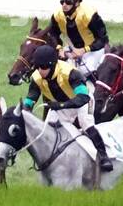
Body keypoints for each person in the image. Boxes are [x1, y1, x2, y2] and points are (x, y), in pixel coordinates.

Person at [23, 44, 113, 172]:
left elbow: (83, 97)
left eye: (43, 67)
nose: (40, 71)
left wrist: (60, 105)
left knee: (86, 124)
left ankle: (104, 156)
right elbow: (32, 96)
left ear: (53, 65)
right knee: (48, 129)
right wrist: (26, 108)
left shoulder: (70, 73)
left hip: (82, 102)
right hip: (61, 105)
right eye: (37, 67)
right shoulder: (36, 77)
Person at [45, 0, 109, 78]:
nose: (64, 5)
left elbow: (103, 39)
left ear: (77, 3)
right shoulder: (57, 15)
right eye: (62, 1)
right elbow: (52, 33)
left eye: (68, 2)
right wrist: (59, 49)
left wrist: (84, 50)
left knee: (83, 72)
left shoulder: (89, 15)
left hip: (93, 49)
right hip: (72, 48)